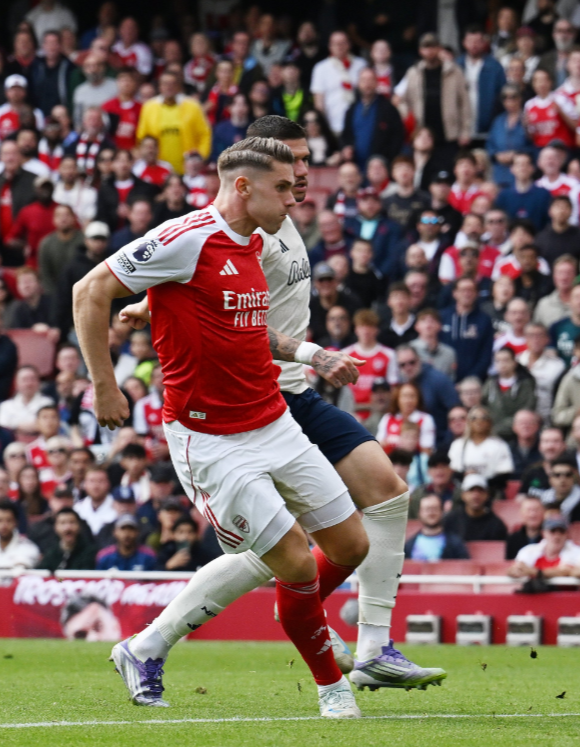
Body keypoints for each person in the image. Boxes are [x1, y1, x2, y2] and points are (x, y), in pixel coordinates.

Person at [116, 119, 443, 696]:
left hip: (294, 389)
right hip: (259, 394)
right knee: (280, 552)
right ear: (254, 171)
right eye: (291, 164)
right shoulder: (249, 223)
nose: (301, 176)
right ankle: (159, 641)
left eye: (306, 162)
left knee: (386, 493)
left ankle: (369, 645)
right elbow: (208, 287)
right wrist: (152, 307)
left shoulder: (281, 219)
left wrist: (149, 306)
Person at [77, 137, 379, 717]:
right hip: (211, 440)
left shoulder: (253, 243)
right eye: (285, 188)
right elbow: (89, 290)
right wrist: (104, 384)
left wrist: (310, 354)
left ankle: (281, 618)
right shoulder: (186, 237)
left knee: (351, 544)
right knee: (293, 558)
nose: (296, 200)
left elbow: (245, 325)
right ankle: (332, 689)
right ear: (243, 186)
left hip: (274, 420)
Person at [136, 71, 211, 171]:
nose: (169, 87)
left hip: (188, 168)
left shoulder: (193, 106)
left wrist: (200, 157)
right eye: (165, 84)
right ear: (160, 86)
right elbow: (142, 136)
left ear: (178, 86)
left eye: (172, 84)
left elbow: (204, 134)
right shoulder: (149, 107)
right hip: (158, 167)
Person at [405, 493, 471, 561]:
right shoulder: (409, 546)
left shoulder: (455, 543)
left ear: (442, 512)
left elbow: (465, 567)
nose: (431, 513)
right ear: (419, 513)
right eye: (427, 509)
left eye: (435, 508)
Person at [510, 515, 580, 578]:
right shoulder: (529, 550)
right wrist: (516, 570)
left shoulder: (575, 551)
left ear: (567, 534)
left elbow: (565, 571)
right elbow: (514, 569)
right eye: (552, 531)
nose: (557, 536)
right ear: (543, 533)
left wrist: (533, 572)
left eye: (561, 531)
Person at [0, 499, 40, 569]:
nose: (4, 526)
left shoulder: (28, 548)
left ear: (16, 522)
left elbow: (20, 572)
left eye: (9, 520)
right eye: (0, 520)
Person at [506, 495, 545, 560]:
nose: (532, 514)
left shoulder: (550, 539)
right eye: (528, 510)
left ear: (544, 513)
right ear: (521, 513)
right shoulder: (512, 540)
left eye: (536, 510)